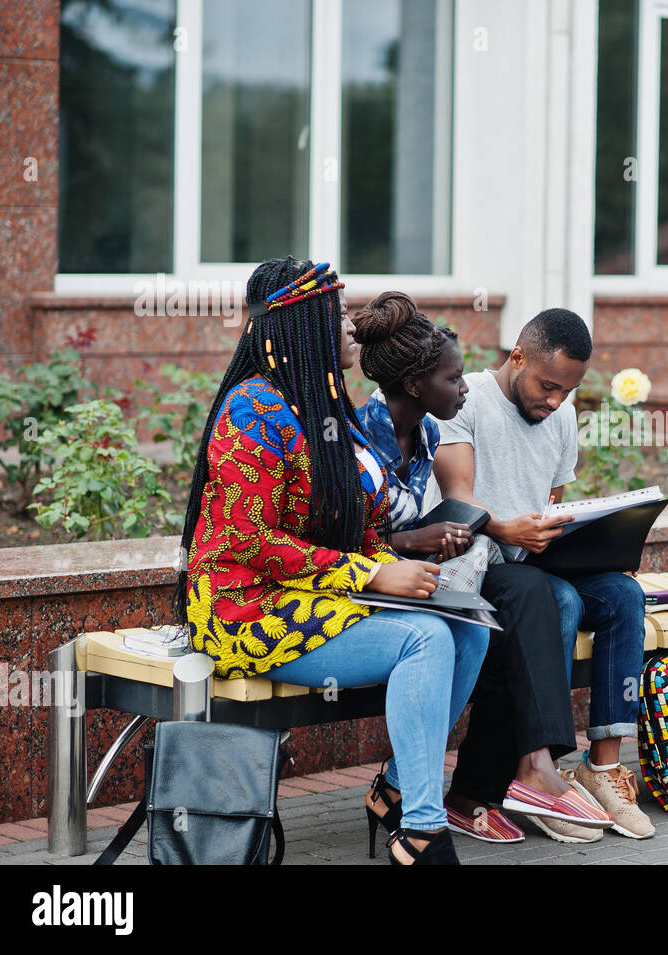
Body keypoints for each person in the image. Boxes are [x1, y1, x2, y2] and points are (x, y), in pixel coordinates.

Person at [179, 257, 489, 866]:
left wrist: (396, 563)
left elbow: (357, 527)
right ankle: (422, 831)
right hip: (245, 607)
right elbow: (250, 542)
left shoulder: (327, 407)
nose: (352, 327)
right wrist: (373, 573)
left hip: (315, 594)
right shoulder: (254, 412)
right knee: (424, 639)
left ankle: (399, 787)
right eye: (338, 314)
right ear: (303, 326)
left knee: (468, 628)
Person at [352, 291, 598, 844]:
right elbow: (351, 540)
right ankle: (507, 780)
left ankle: (446, 785)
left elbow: (542, 503)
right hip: (371, 585)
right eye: (455, 379)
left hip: (434, 574)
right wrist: (424, 537)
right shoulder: (361, 436)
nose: (466, 388)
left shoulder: (428, 432)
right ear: (418, 385)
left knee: (574, 601)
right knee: (523, 605)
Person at [433, 307, 655, 843]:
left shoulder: (560, 413)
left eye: (569, 391)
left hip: (534, 559)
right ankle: (532, 773)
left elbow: (553, 504)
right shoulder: (466, 401)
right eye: (548, 386)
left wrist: (599, 544)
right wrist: (508, 530)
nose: (556, 402)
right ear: (517, 357)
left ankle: (602, 770)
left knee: (623, 593)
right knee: (558, 601)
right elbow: (455, 498)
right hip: (477, 560)